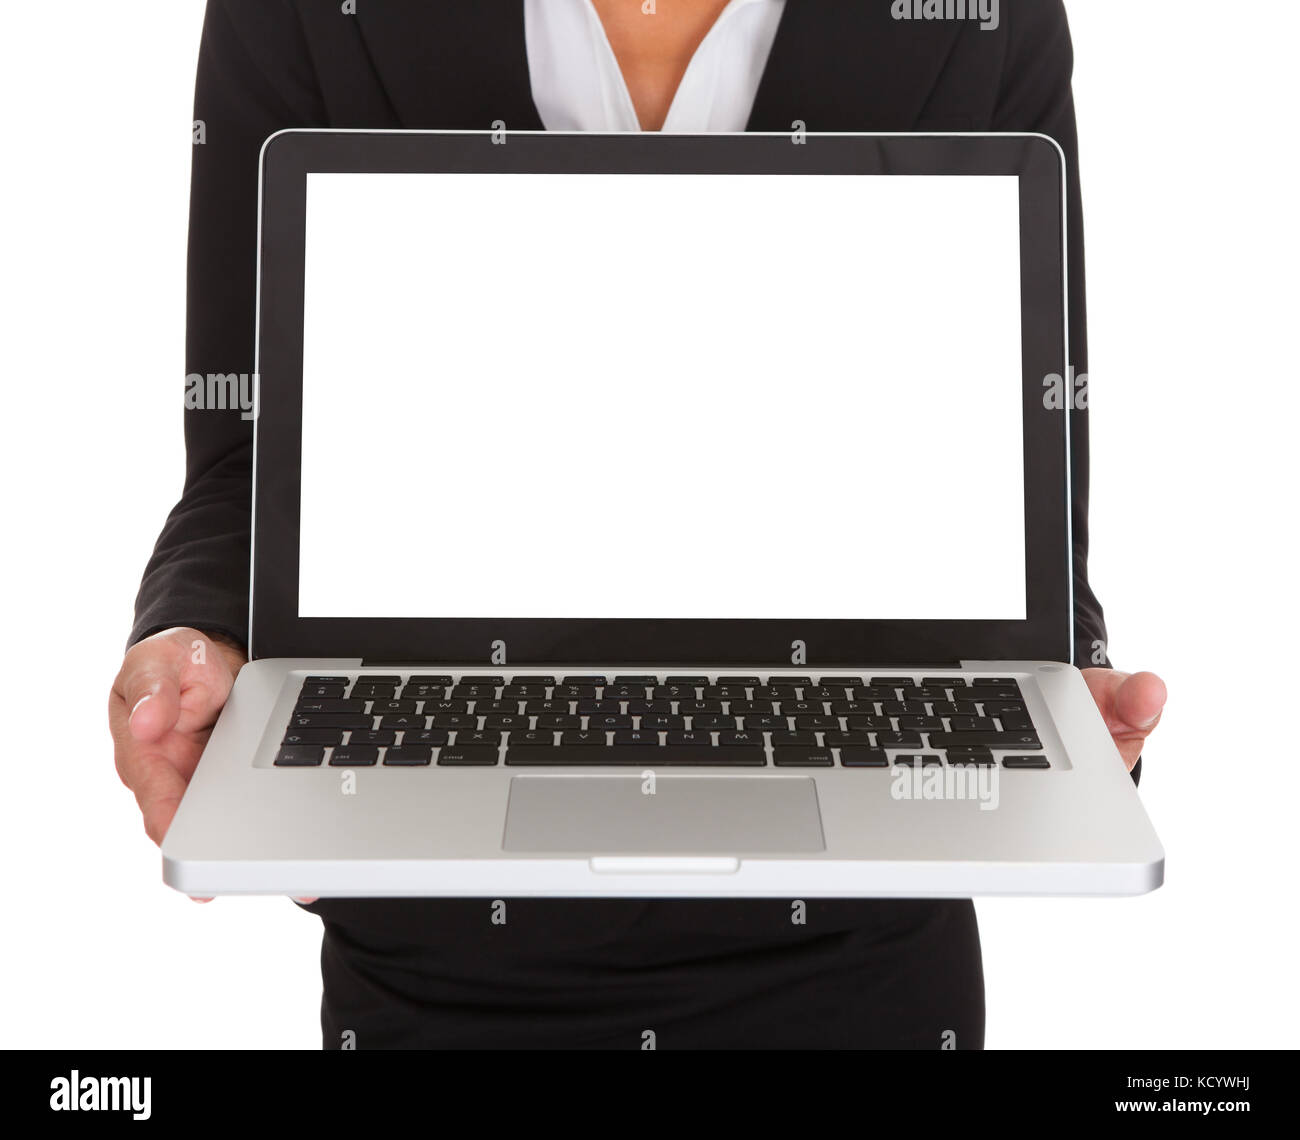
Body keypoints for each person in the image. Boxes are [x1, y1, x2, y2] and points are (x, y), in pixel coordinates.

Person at [108, 0, 1166, 1049]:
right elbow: (251, 453)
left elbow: (1017, 457)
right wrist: (189, 636)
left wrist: (1061, 678)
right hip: (443, 964)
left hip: (862, 960)